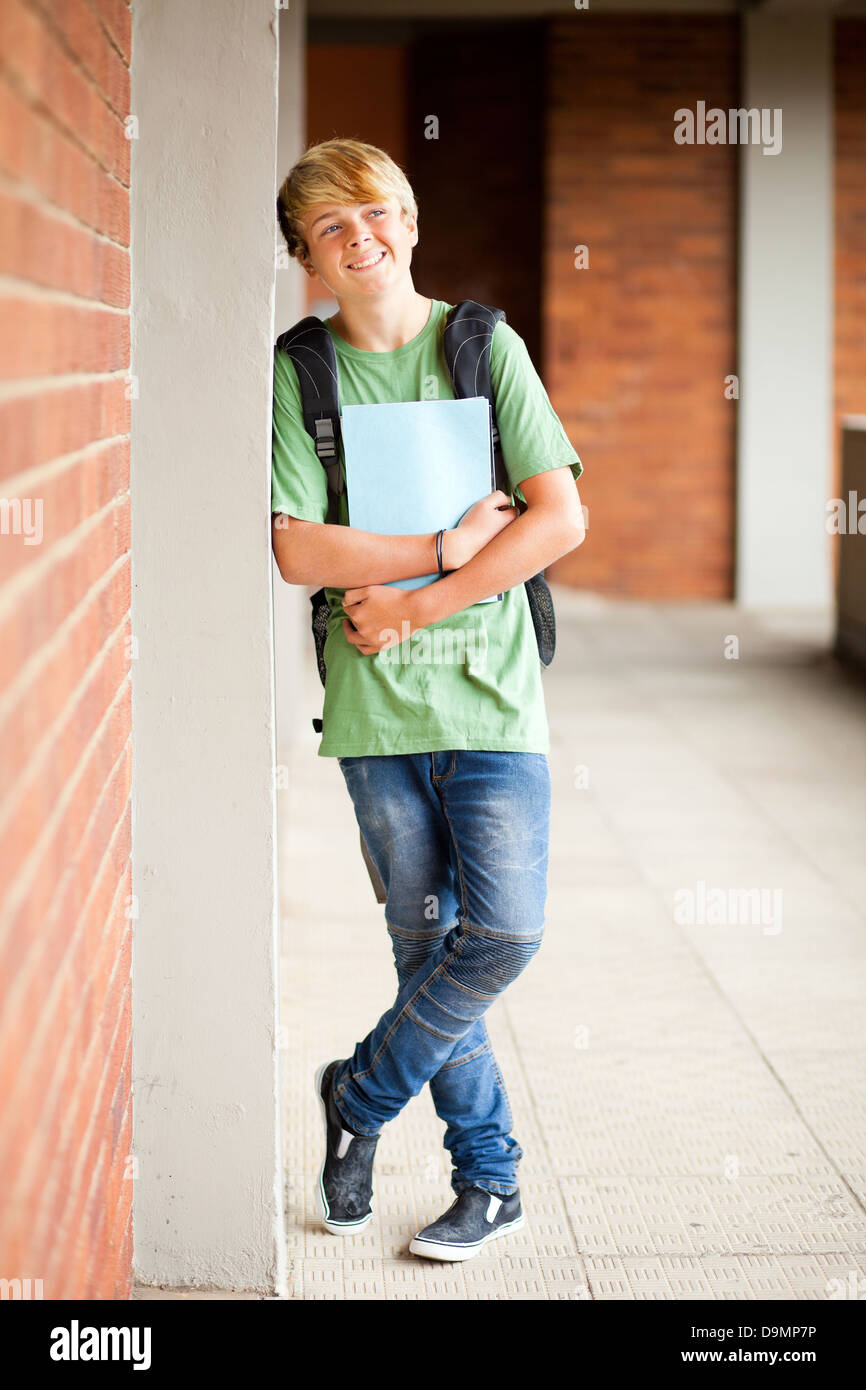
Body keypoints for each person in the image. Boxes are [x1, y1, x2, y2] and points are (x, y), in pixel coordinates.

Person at [272, 138, 585, 1262]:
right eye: (329, 227)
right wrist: (436, 542)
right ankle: (488, 1183)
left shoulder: (479, 345)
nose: (358, 236)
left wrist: (421, 601)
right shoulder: (301, 368)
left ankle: (357, 1093)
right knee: (425, 945)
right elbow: (296, 547)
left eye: (373, 213)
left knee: (499, 930)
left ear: (408, 221)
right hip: (371, 709)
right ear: (308, 258)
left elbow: (556, 517)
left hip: (490, 692)